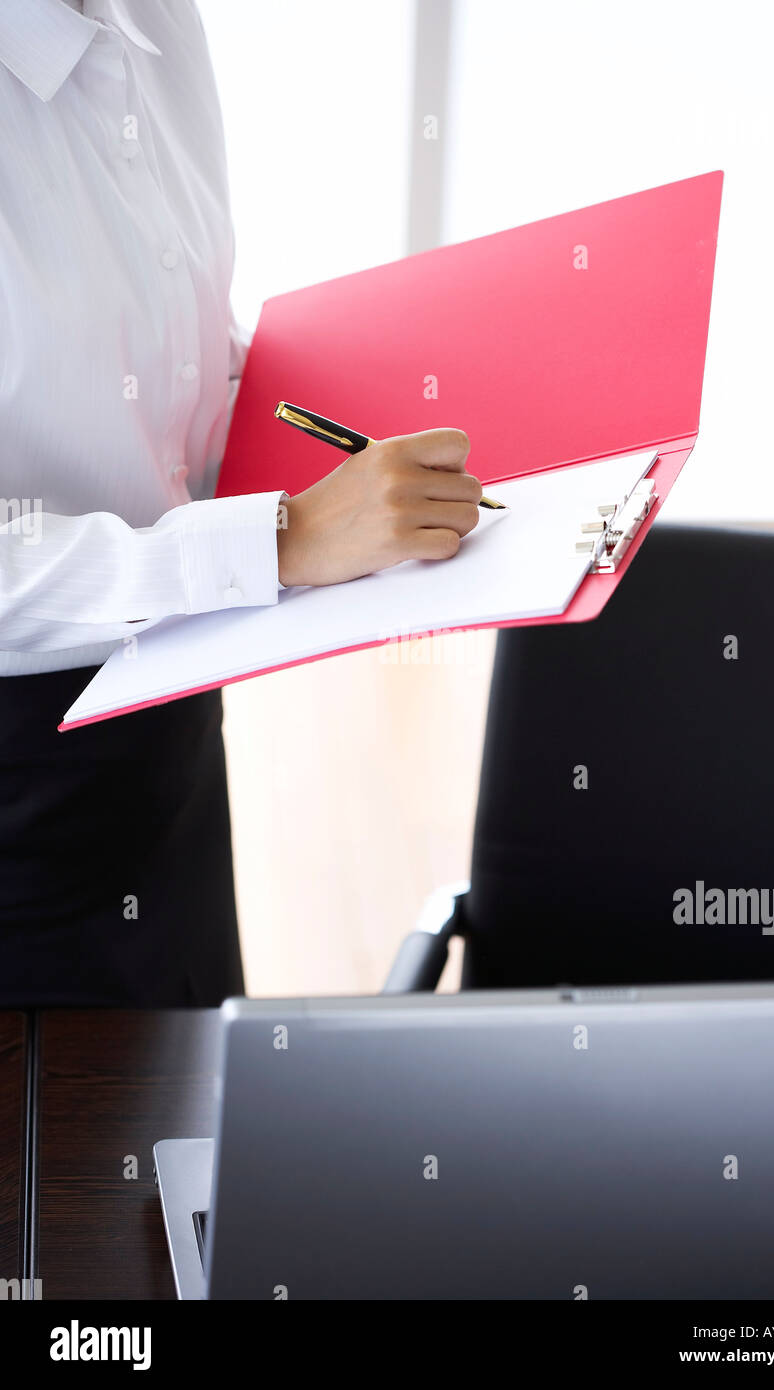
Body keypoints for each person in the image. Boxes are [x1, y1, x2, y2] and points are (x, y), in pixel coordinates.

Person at [0, 0, 480, 1007]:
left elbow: (177, 344)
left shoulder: (154, 17)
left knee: (183, 1122)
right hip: (22, 773)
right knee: (63, 1147)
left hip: (163, 709)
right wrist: (286, 536)